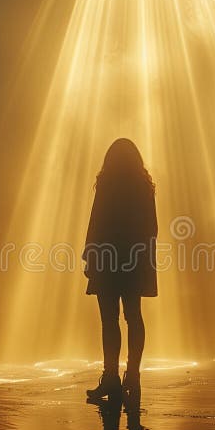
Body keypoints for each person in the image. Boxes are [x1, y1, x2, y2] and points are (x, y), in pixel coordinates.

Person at [83, 138, 157, 405]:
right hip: (133, 260)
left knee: (109, 320)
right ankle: (133, 375)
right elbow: (152, 228)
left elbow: (96, 223)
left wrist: (89, 256)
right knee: (133, 316)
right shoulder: (143, 186)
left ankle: (111, 377)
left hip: (106, 257)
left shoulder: (106, 184)